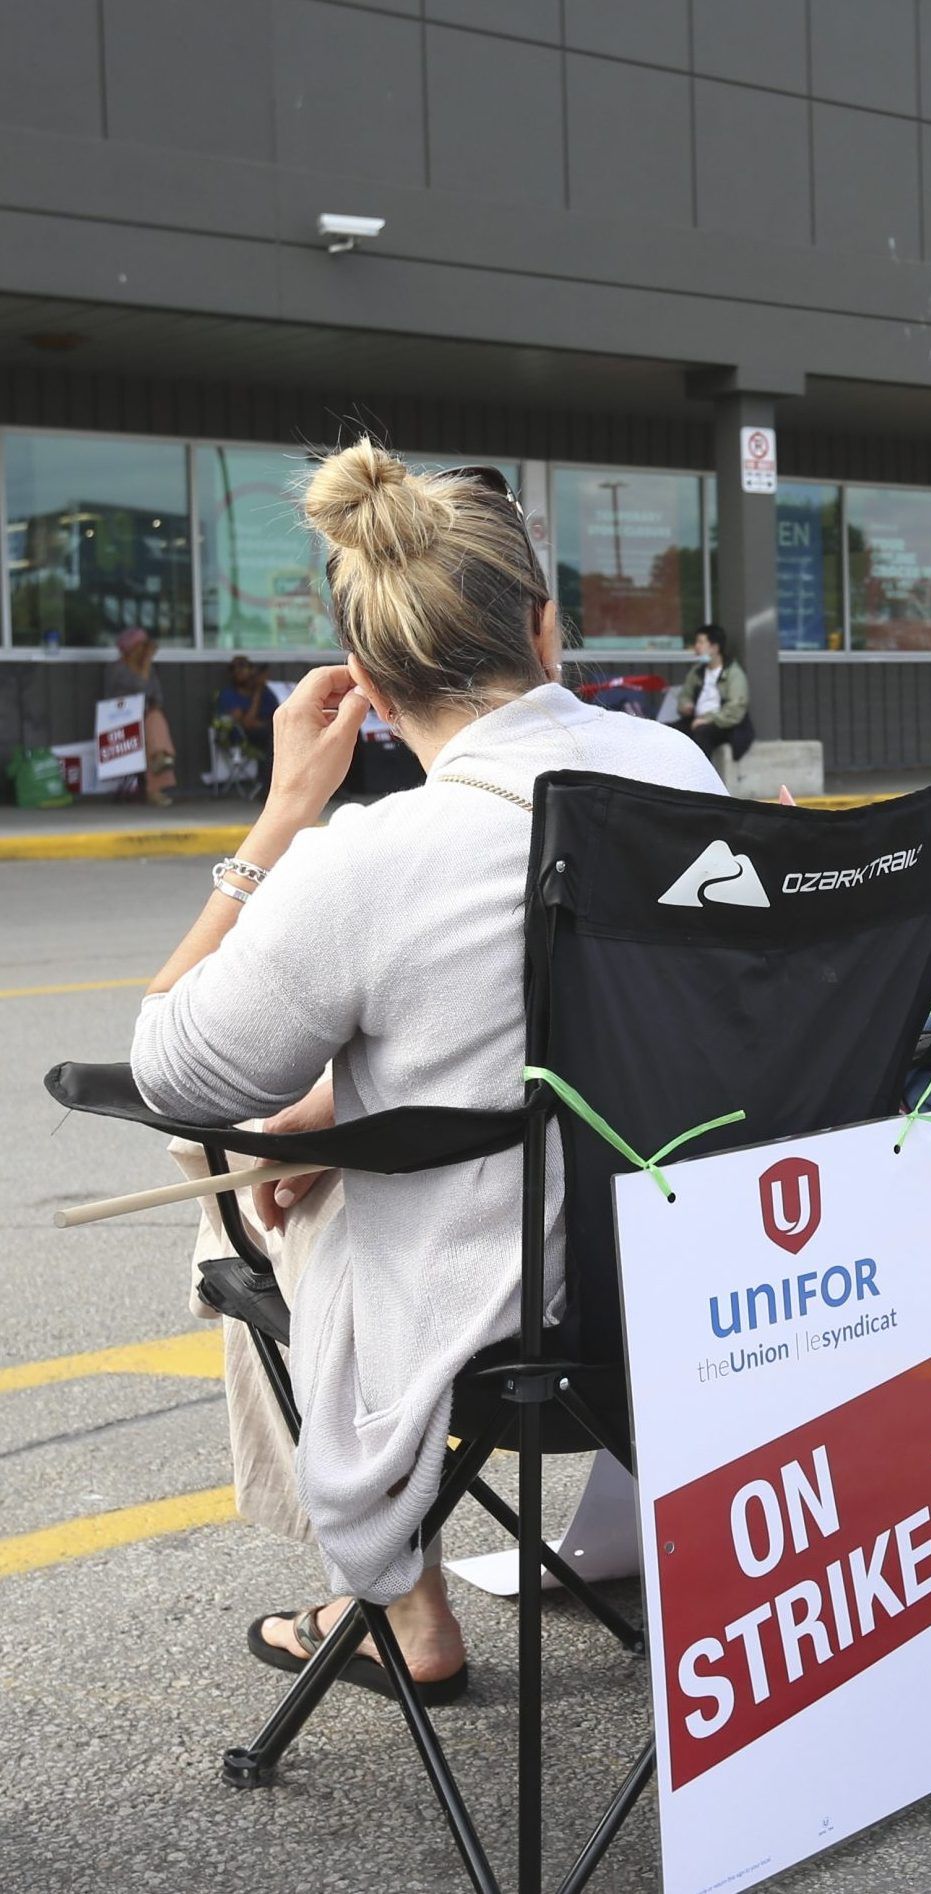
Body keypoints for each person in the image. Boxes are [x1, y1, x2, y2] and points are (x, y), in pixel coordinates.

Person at [128, 439, 724, 1701]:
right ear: (548, 631)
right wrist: (342, 1104)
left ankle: (393, 1599)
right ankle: (386, 1586)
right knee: (282, 1139)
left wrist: (279, 818)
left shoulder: (370, 854)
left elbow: (173, 1067)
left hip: (505, 1318)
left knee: (222, 1172)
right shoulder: (684, 777)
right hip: (701, 1271)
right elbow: (592, 1021)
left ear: (373, 692)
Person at [103, 626, 180, 806]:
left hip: (143, 721)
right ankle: (159, 767)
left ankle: (159, 759)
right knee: (152, 727)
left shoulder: (148, 670)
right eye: (141, 646)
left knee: (154, 719)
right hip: (119, 722)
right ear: (131, 648)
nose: (145, 650)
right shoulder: (116, 669)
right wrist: (145, 665)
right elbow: (140, 688)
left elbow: (158, 697)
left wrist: (146, 669)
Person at [675, 623, 754, 769]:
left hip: (722, 724)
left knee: (702, 734)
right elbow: (684, 696)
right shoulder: (697, 672)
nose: (697, 647)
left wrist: (708, 719)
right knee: (670, 732)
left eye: (701, 642)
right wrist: (685, 705)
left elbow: (736, 708)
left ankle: (700, 779)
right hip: (695, 719)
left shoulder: (733, 673)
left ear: (715, 647)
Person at [213, 654, 280, 761]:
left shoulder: (266, 693)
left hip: (271, 731)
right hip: (242, 738)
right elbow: (247, 725)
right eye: (235, 669)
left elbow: (278, 715)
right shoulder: (228, 695)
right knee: (270, 740)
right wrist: (257, 692)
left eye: (244, 667)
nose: (239, 672)